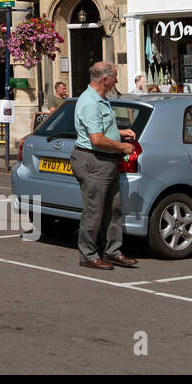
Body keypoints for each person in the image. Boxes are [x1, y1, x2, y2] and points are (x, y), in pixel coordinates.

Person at [71, 61, 139, 271]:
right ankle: (88, 255)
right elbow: (97, 139)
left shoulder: (101, 99)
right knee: (94, 210)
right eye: (115, 77)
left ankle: (112, 251)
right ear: (104, 79)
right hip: (94, 159)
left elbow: (103, 129)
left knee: (114, 208)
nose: (117, 81)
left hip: (105, 160)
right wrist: (122, 147)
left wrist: (120, 132)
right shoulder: (90, 102)